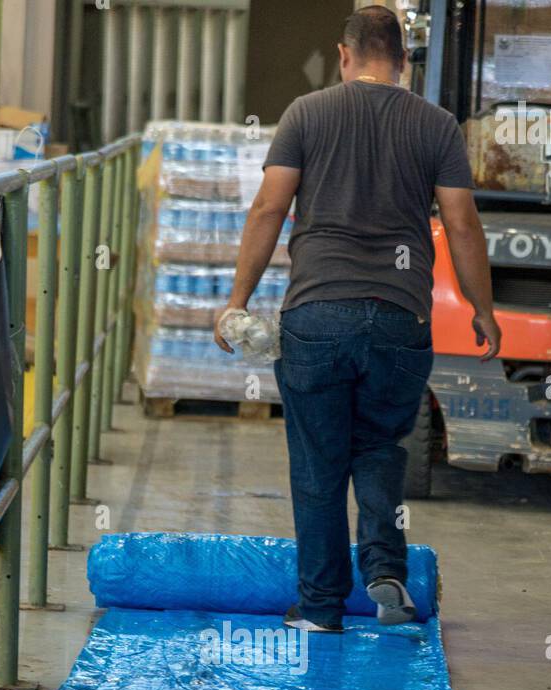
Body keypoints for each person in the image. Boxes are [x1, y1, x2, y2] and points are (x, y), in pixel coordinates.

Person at [215, 5, 502, 633]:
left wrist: (237, 300)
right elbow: (461, 223)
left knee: (318, 464)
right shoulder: (437, 125)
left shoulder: (306, 113)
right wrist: (483, 308)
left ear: (343, 56)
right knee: (379, 449)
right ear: (403, 61)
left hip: (317, 315)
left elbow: (269, 208)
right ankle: (385, 572)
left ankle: (320, 607)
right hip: (401, 320)